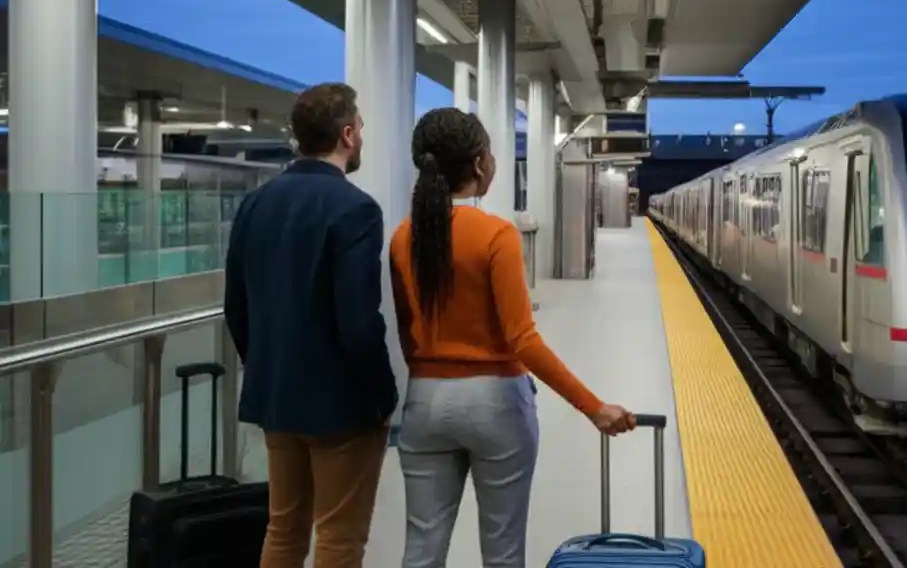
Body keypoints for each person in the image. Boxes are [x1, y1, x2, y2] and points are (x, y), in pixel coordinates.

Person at [389, 107, 636, 567]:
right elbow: (524, 341)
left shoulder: (404, 237)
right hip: (496, 403)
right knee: (502, 550)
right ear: (480, 164)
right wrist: (592, 406)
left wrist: (429, 377)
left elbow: (407, 333)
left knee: (422, 549)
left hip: (425, 400)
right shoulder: (496, 235)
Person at [224, 82, 398, 568]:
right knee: (340, 538)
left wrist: (264, 367)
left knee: (284, 529)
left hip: (276, 400)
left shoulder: (255, 204)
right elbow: (359, 322)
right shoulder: (355, 209)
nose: (361, 135)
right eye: (360, 127)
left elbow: (235, 306)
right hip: (341, 408)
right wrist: (382, 395)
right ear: (346, 134)